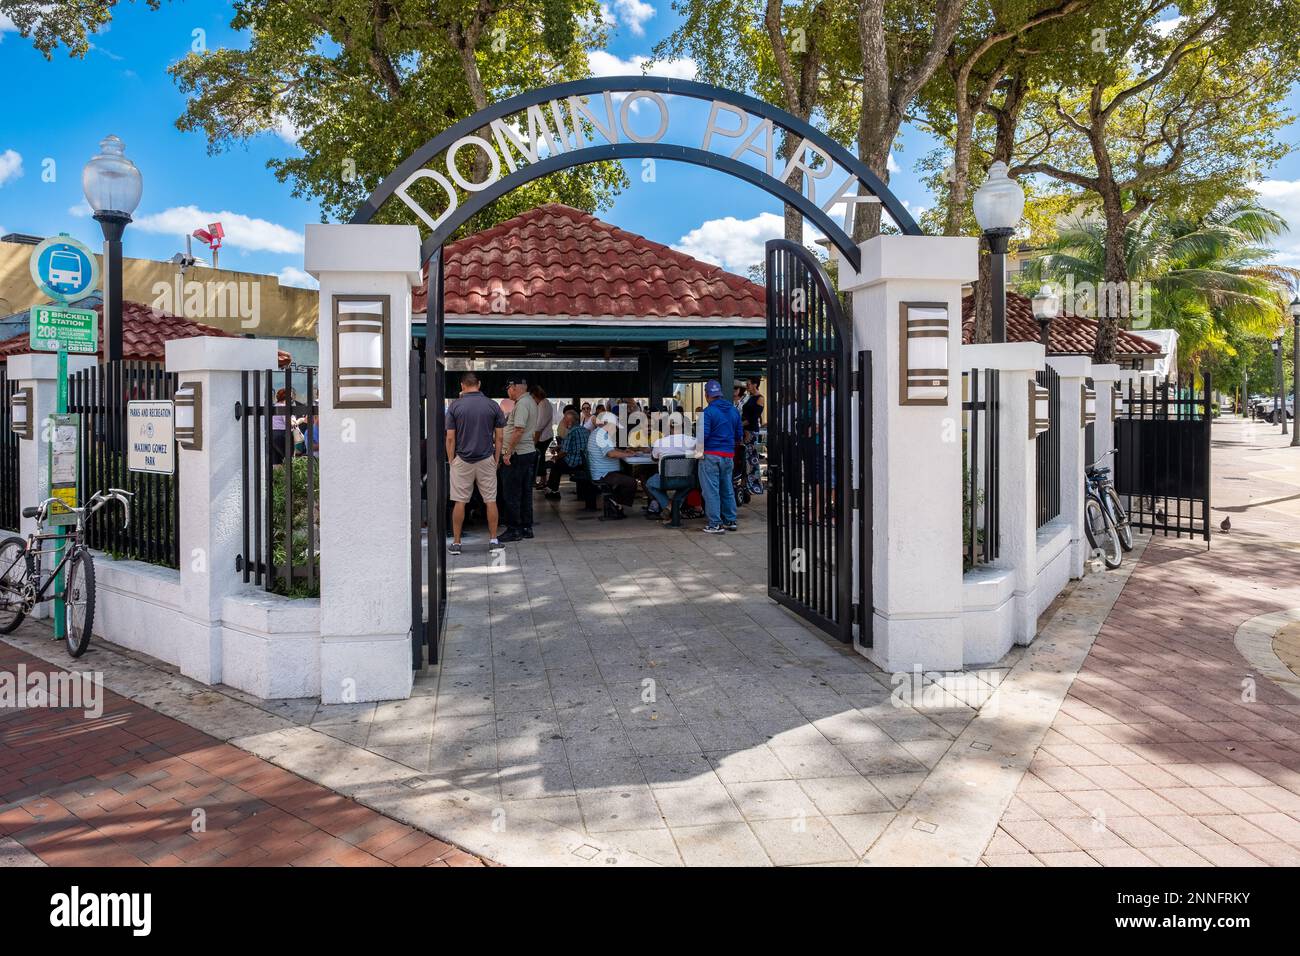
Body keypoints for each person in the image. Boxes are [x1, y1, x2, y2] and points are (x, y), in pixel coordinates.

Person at [444, 372, 505, 554]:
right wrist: (496, 458)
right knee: (491, 500)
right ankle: (493, 540)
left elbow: (450, 438)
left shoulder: (455, 406)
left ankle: (456, 543)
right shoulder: (492, 405)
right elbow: (499, 437)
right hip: (486, 458)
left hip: (462, 460)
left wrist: (451, 459)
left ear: (462, 385)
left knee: (459, 502)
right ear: (479, 384)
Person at [697, 379, 743, 533]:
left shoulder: (707, 412)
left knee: (711, 490)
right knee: (727, 488)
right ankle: (730, 520)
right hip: (728, 455)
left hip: (710, 455)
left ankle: (715, 524)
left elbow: (702, 436)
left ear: (707, 395)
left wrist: (696, 452)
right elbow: (739, 435)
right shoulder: (733, 410)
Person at [498, 377, 537, 542]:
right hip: (527, 452)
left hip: (517, 455)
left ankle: (514, 529)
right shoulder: (531, 401)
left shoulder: (521, 404)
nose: (508, 392)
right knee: (525, 492)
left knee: (511, 493)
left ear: (514, 387)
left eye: (508, 388)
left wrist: (507, 452)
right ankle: (526, 527)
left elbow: (518, 430)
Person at [585, 411, 640, 519]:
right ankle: (616, 503)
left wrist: (624, 452)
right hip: (603, 474)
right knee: (631, 482)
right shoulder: (603, 435)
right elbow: (610, 453)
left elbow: (611, 449)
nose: (616, 428)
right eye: (614, 426)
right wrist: (627, 455)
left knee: (628, 476)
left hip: (601, 471)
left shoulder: (598, 433)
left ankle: (615, 502)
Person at [643, 418, 697, 521]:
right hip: (686, 479)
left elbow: (654, 458)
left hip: (665, 480)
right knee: (689, 485)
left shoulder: (660, 442)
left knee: (649, 483)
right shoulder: (693, 441)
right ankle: (673, 507)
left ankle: (668, 506)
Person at [544, 406, 586, 499]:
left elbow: (564, 452)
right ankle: (551, 489)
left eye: (565, 420)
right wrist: (559, 447)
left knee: (556, 465)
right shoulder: (584, 430)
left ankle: (553, 491)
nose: (563, 422)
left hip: (574, 463)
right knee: (558, 463)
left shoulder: (570, 433)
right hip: (584, 463)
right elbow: (573, 445)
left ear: (570, 422)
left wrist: (554, 458)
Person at [741, 376, 765, 495]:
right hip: (745, 430)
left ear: (755, 385)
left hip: (750, 431)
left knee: (751, 459)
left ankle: (753, 485)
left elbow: (754, 417)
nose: (747, 386)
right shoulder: (749, 397)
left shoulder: (759, 398)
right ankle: (746, 484)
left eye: (748, 384)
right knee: (746, 459)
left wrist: (741, 425)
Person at [530, 385, 555, 490]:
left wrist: (534, 442)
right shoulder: (544, 403)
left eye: (532, 397)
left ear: (536, 395)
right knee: (541, 458)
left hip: (543, 437)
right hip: (544, 436)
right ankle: (542, 480)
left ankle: (543, 480)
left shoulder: (543, 404)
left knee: (539, 458)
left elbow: (539, 426)